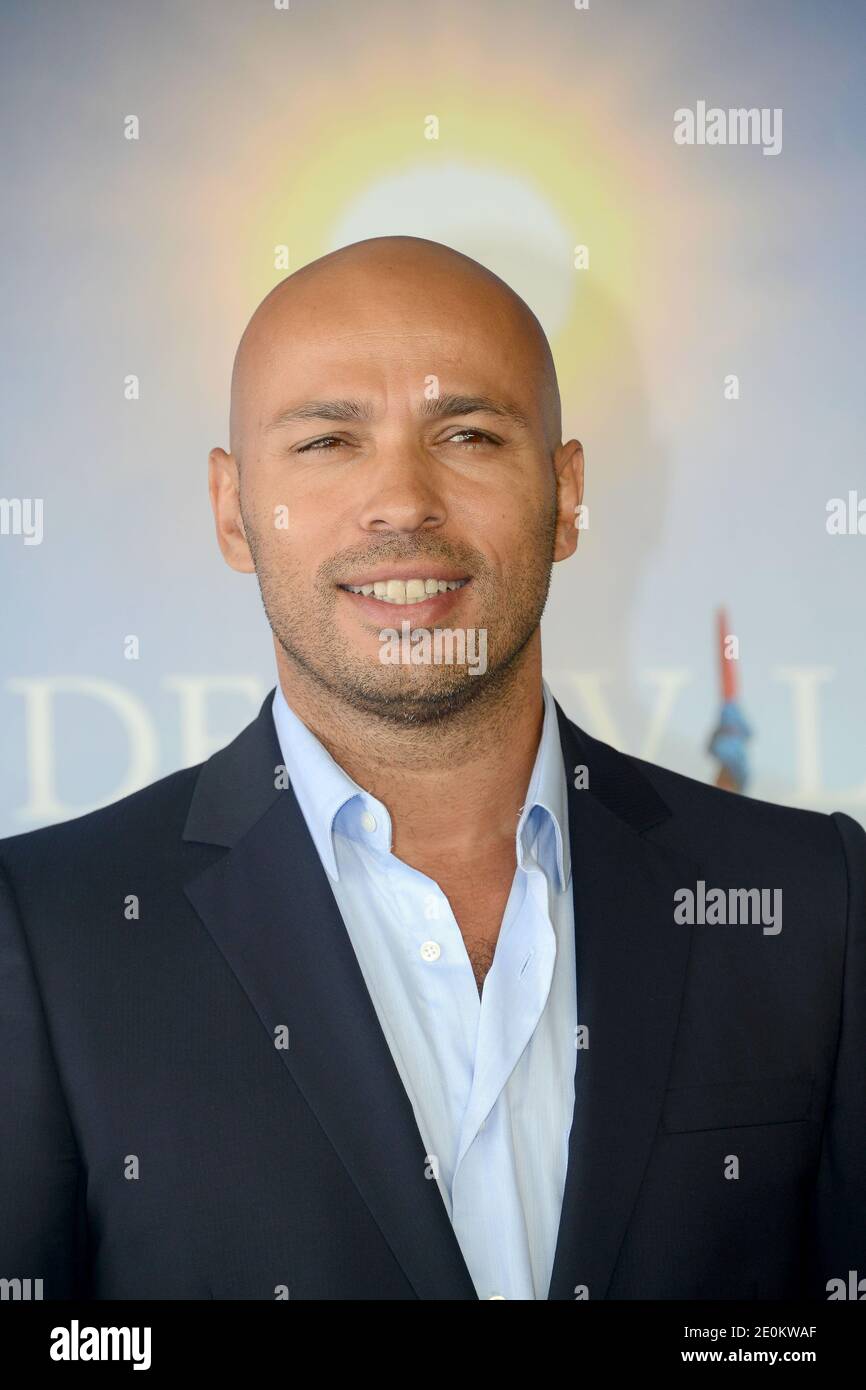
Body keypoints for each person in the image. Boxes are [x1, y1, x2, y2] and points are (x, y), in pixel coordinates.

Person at [1, 236, 863, 1300]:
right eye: (326, 441)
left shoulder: (811, 899)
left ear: (565, 493)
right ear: (232, 512)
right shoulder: (42, 934)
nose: (402, 502)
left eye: (465, 432)